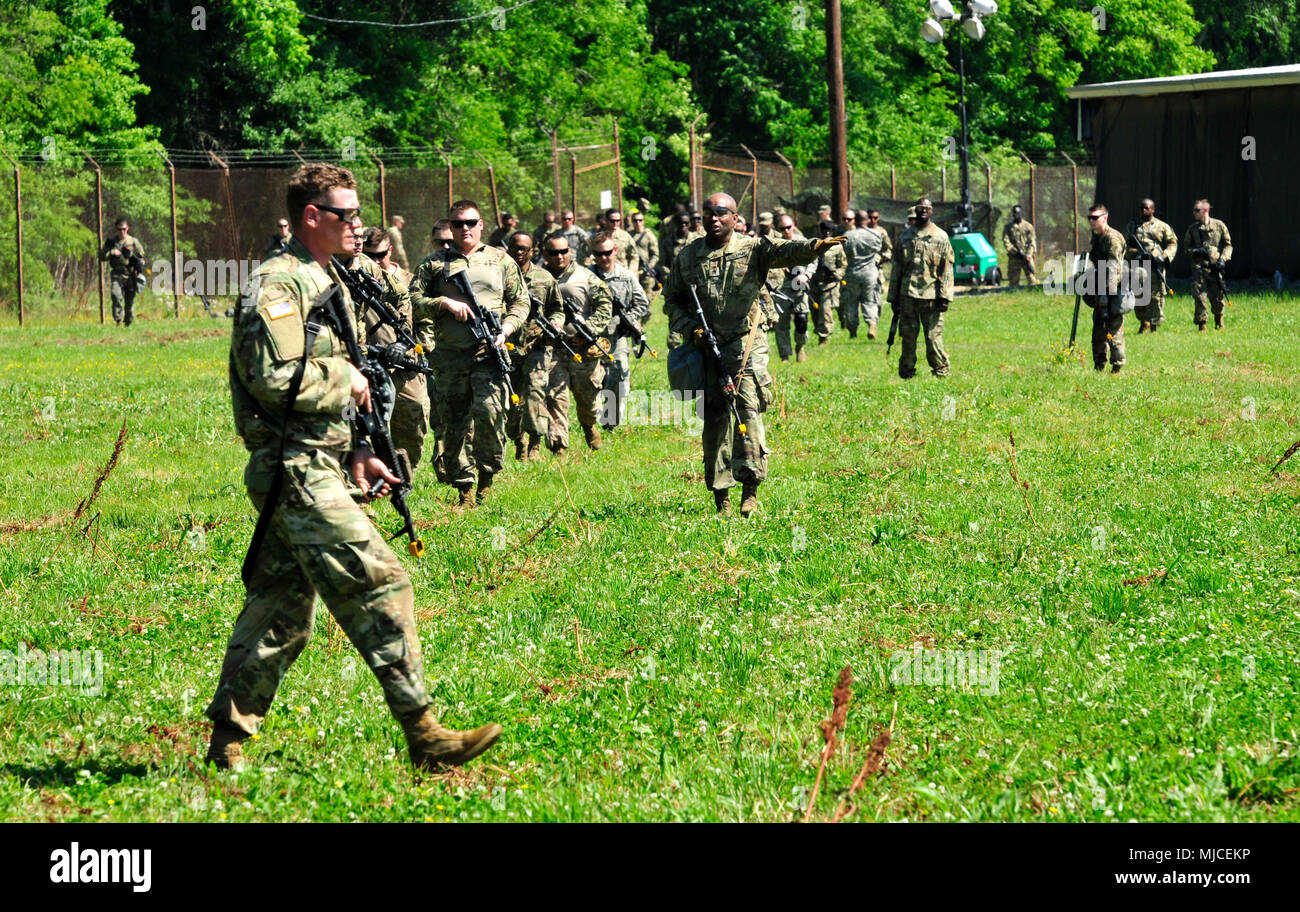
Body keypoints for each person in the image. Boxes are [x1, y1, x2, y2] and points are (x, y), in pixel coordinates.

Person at [205, 162, 500, 773]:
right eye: (347, 215)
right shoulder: (277, 286)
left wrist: (359, 450)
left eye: (360, 214)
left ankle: (226, 741)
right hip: (294, 471)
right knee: (382, 581)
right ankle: (425, 736)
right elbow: (274, 379)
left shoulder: (323, 277)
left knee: (281, 612)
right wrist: (348, 377)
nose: (360, 226)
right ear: (312, 217)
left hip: (318, 463)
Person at [663, 192, 842, 517]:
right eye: (708, 213)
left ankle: (750, 489)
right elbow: (671, 300)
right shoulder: (689, 256)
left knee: (748, 409)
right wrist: (692, 329)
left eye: (721, 213)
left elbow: (783, 251)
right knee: (715, 417)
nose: (714, 219)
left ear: (734, 217)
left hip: (746, 342)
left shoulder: (752, 247)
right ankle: (721, 495)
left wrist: (815, 246)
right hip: (707, 345)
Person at [410, 200, 529, 508]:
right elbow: (412, 299)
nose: (464, 228)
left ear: (481, 225)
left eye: (470, 222)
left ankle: (487, 479)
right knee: (454, 422)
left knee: (490, 414)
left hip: (488, 354)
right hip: (450, 356)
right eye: (457, 223)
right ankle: (464, 487)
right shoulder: (434, 264)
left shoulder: (500, 261)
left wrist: (506, 330)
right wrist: (444, 304)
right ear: (450, 226)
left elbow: (521, 302)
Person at [359, 226, 431, 475]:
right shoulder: (355, 280)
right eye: (370, 256)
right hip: (369, 363)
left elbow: (425, 322)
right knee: (370, 424)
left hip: (406, 364)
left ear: (390, 250)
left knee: (414, 420)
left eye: (380, 255)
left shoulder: (409, 282)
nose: (376, 262)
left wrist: (414, 347)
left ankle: (405, 474)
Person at [541, 234, 612, 454]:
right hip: (553, 349)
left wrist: (589, 328)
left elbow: (605, 305)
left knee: (588, 401)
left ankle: (589, 426)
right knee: (554, 399)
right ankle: (559, 447)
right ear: (545, 254)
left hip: (582, 349)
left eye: (564, 251)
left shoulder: (586, 276)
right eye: (554, 252)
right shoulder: (538, 278)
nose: (559, 256)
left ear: (570, 252)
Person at [504, 231, 565, 461]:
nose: (519, 253)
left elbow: (557, 308)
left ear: (532, 251)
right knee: (511, 399)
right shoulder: (499, 275)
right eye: (515, 248)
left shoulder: (544, 278)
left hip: (536, 346)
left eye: (524, 249)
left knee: (535, 393)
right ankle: (518, 439)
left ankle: (535, 444)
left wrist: (556, 324)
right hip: (508, 348)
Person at [887, 198, 954, 379]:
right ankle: (906, 372)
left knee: (933, 337)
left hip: (932, 296)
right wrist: (893, 297)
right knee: (908, 336)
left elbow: (947, 269)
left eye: (927, 208)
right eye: (920, 208)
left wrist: (945, 296)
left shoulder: (940, 237)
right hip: (908, 295)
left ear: (931, 211)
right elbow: (897, 269)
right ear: (915, 211)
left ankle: (940, 370)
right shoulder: (905, 237)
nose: (923, 211)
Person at [591, 231, 650, 429]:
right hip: (591, 338)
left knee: (619, 379)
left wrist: (629, 320)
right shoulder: (586, 276)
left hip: (617, 338)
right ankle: (591, 421)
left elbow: (642, 302)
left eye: (607, 252)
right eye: (599, 254)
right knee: (592, 382)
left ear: (615, 250)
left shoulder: (625, 276)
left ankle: (610, 424)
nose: (604, 257)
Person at [1085, 203, 1127, 372]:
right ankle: (1099, 365)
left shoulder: (1112, 238)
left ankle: (1117, 365)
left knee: (1113, 329)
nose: (1091, 221)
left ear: (1105, 218)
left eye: (1095, 218)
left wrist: (1106, 294)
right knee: (1099, 329)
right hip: (1100, 288)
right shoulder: (1097, 237)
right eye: (1089, 218)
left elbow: (1114, 268)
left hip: (1112, 289)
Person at [1127, 198, 1178, 333]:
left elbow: (1173, 243)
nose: (1144, 210)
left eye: (1147, 208)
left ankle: (1154, 327)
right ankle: (1144, 322)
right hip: (1137, 266)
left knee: (1155, 296)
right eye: (1142, 208)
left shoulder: (1162, 226)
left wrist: (1163, 256)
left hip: (1155, 266)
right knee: (1138, 295)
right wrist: (1135, 254)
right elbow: (1125, 246)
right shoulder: (1133, 226)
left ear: (1153, 210)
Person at [1183, 199, 1233, 331]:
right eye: (1194, 210)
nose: (1194, 213)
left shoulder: (1219, 225)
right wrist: (1195, 252)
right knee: (1200, 296)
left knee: (1217, 295)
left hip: (1215, 267)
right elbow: (1186, 249)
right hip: (1199, 268)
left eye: (1197, 210)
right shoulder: (1193, 229)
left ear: (1205, 210)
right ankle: (1202, 324)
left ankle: (1219, 320)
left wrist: (1223, 259)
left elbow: (1228, 245)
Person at [769, 214, 814, 362]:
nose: (787, 230)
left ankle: (800, 346)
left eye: (789, 227)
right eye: (783, 228)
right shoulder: (775, 244)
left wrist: (806, 275)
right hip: (781, 288)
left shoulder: (803, 242)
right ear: (778, 229)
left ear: (793, 225)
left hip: (799, 287)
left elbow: (814, 260)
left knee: (801, 320)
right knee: (781, 323)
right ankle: (784, 355)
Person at [841, 210, 884, 339]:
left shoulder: (847, 235)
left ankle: (852, 331)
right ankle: (871, 324)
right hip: (870, 272)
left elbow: (843, 250)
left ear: (855, 220)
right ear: (867, 220)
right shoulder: (874, 235)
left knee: (852, 302)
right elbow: (879, 248)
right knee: (870, 300)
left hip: (852, 272)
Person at [99, 217, 145, 327]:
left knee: (129, 301)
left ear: (127, 228)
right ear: (116, 229)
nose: (122, 231)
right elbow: (101, 256)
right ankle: (118, 320)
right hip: (117, 274)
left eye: (124, 229)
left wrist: (138, 268)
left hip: (130, 274)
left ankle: (128, 322)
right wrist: (111, 252)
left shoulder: (133, 242)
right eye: (119, 229)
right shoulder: (111, 242)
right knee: (116, 295)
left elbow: (142, 257)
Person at [811, 219, 847, 345]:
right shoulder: (814, 244)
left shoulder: (837, 246)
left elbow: (843, 265)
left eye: (829, 231)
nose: (827, 233)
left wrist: (836, 274)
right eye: (824, 231)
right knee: (815, 312)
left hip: (830, 284)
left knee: (825, 310)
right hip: (815, 283)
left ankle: (824, 337)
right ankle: (819, 332)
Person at [865, 209, 892, 325]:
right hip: (862, 267)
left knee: (877, 294)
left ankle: (875, 318)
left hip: (877, 268)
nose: (872, 220)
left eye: (875, 218)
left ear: (878, 218)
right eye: (870, 217)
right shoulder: (861, 231)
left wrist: (882, 258)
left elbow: (889, 249)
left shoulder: (882, 232)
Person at [1001, 205, 1037, 287]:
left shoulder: (1028, 227)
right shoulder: (1008, 227)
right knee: (1013, 281)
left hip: (1026, 257)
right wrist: (1014, 251)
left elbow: (1032, 242)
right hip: (1014, 257)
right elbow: (1006, 241)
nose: (1015, 215)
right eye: (1014, 213)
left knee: (1032, 279)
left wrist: (1028, 255)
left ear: (1021, 213)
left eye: (1017, 213)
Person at [630, 209, 660, 297]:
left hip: (646, 272)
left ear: (643, 221)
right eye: (635, 220)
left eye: (640, 220)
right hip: (633, 271)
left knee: (647, 297)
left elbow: (655, 254)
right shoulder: (628, 235)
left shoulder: (649, 235)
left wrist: (649, 266)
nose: (638, 222)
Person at [603, 208, 640, 276]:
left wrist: (631, 272)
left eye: (618, 220)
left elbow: (634, 256)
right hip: (603, 276)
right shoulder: (598, 237)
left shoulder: (626, 237)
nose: (615, 223)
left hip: (622, 276)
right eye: (612, 221)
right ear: (606, 220)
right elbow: (586, 256)